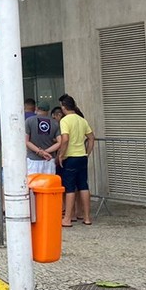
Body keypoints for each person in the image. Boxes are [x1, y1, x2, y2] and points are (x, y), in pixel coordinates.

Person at [57, 94, 94, 226]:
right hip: (82, 157)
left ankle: (67, 218)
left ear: (63, 107)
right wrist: (87, 152)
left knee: (70, 188)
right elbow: (91, 138)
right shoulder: (82, 120)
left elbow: (65, 139)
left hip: (70, 157)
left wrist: (61, 154)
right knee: (83, 185)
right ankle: (87, 217)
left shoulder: (65, 121)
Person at [25, 103, 62, 176]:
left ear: (36, 109)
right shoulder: (55, 123)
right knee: (48, 185)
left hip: (33, 159)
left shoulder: (29, 121)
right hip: (49, 160)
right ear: (48, 111)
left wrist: (39, 152)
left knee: (33, 185)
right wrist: (45, 152)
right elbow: (59, 142)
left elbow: (26, 141)